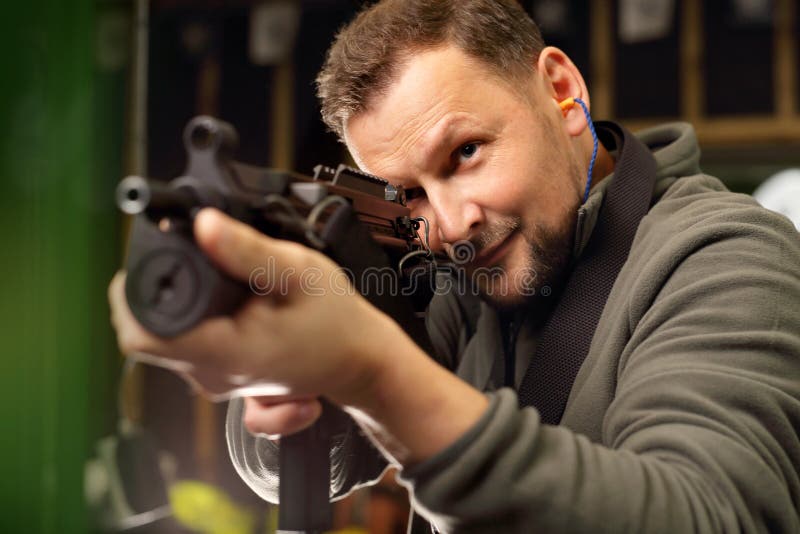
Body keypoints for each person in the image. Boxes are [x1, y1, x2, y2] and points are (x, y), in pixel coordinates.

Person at [109, 0, 800, 531]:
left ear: (561, 91)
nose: (449, 224)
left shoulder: (732, 259)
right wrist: (283, 380)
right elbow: (319, 464)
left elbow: (706, 514)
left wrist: (372, 371)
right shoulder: (459, 279)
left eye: (465, 152)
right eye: (408, 192)